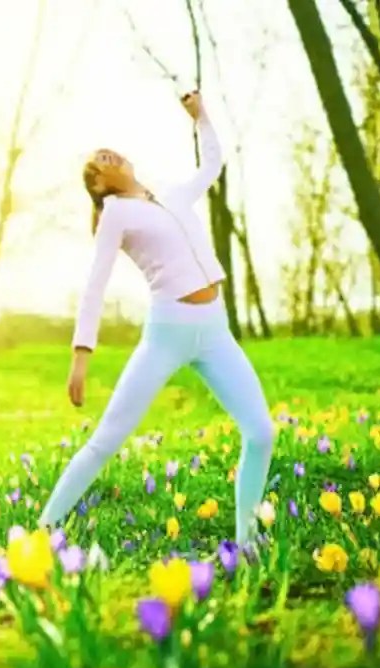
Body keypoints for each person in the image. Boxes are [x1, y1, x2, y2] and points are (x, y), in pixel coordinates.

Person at [38, 90, 274, 548]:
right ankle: (42, 531)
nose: (109, 155)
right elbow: (95, 284)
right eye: (99, 162)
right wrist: (80, 354)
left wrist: (200, 116)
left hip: (216, 329)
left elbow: (212, 164)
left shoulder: (170, 194)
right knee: (107, 438)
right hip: (168, 332)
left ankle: (246, 540)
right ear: (100, 186)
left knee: (261, 431)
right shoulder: (114, 214)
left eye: (109, 152)